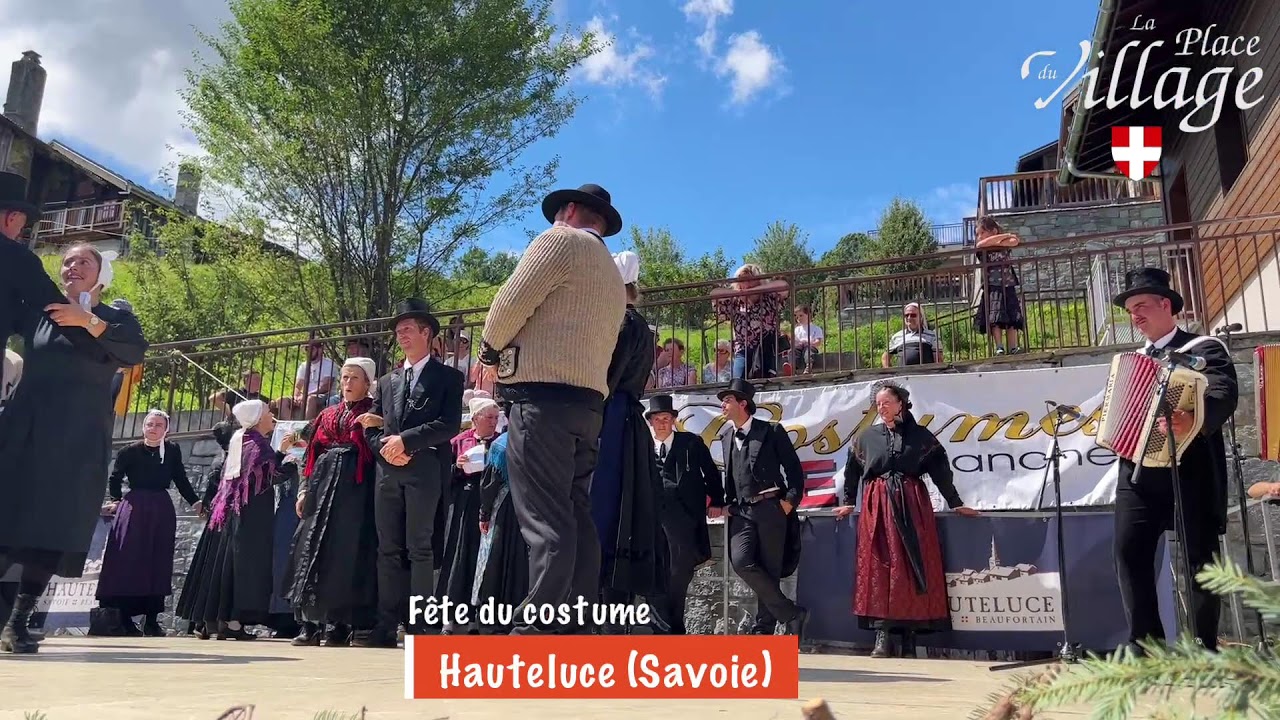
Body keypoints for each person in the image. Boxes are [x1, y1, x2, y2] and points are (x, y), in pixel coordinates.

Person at [477, 183, 626, 634]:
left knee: (544, 516)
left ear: (570, 210)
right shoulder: (613, 275)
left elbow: (509, 301)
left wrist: (487, 354)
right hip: (587, 404)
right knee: (575, 514)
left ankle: (536, 626)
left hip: (541, 399)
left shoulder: (560, 239)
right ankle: (579, 622)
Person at [0, 243, 149, 654]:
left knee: (55, 527)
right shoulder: (37, 313)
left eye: (85, 261)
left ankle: (17, 624)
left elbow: (134, 351)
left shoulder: (116, 319)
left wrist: (88, 322)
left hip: (80, 438)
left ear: (101, 275)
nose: (73, 266)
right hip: (26, 430)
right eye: (67, 261)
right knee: (6, 518)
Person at [1109, 267, 1238, 653]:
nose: (1135, 315)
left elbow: (1223, 394)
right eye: (1130, 309)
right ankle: (1145, 647)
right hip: (1140, 473)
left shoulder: (1203, 348)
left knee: (1200, 560)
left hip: (1192, 471)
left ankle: (1203, 647)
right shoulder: (1133, 360)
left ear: (1166, 305)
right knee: (1129, 551)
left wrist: (1193, 418)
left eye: (1142, 305)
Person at [834, 382, 980, 658]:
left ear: (901, 403)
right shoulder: (866, 437)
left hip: (912, 505)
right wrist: (848, 503)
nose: (881, 407)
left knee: (912, 567)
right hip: (877, 505)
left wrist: (956, 503)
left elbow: (941, 472)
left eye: (886, 402)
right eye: (878, 403)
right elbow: (851, 472)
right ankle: (882, 634)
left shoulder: (921, 437)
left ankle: (910, 637)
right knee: (880, 566)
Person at [360, 298, 464, 646]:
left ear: (427, 333)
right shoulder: (388, 381)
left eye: (407, 328)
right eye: (398, 330)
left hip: (424, 467)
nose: (401, 334)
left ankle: (421, 625)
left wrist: (405, 441)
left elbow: (448, 424)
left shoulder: (448, 377)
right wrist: (384, 447)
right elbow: (370, 424)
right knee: (387, 547)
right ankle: (386, 624)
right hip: (389, 471)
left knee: (420, 547)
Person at [283, 357, 380, 647]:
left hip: (356, 492)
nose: (347, 383)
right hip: (322, 488)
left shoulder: (374, 413)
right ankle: (310, 623)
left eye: (354, 378)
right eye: (344, 378)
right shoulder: (326, 415)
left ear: (367, 383)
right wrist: (303, 490)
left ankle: (341, 623)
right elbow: (309, 458)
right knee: (310, 548)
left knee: (347, 553)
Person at [591, 251, 664, 630]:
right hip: (623, 417)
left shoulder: (624, 326)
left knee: (603, 509)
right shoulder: (642, 327)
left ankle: (603, 615)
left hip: (611, 417)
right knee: (619, 509)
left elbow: (608, 377)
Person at [187, 399, 300, 640]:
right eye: (269, 413)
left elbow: (254, 472)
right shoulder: (258, 444)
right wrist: (290, 464)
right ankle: (234, 622)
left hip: (235, 511)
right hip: (252, 514)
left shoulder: (241, 439)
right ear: (259, 418)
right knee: (246, 567)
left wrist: (279, 452)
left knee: (230, 566)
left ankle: (219, 620)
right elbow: (267, 477)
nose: (272, 416)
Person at [95, 409, 202, 637]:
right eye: (150, 424)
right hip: (134, 509)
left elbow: (180, 478)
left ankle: (151, 620)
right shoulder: (129, 451)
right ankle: (124, 617)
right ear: (144, 426)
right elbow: (115, 477)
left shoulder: (172, 451)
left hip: (161, 509)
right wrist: (115, 500)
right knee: (129, 560)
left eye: (158, 425)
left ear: (166, 429)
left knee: (157, 561)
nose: (153, 428)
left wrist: (196, 502)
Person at [716, 379, 808, 636]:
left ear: (742, 403)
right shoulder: (725, 436)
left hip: (771, 507)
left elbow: (794, 471)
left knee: (770, 569)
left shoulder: (771, 431)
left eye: (727, 400)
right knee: (742, 562)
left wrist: (789, 502)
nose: (722, 404)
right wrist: (726, 505)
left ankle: (763, 628)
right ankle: (791, 613)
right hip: (742, 511)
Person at [646, 394, 724, 634]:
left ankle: (674, 628)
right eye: (657, 418)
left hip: (683, 521)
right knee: (653, 574)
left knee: (679, 575)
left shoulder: (690, 443)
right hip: (651, 522)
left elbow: (711, 472)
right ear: (651, 422)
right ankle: (664, 630)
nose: (662, 423)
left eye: (666, 418)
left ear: (673, 420)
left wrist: (717, 500)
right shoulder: (643, 447)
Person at [0, 172, 97, 354]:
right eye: (21, 227)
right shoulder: (16, 256)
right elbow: (54, 308)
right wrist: (99, 347)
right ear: (11, 217)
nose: (20, 234)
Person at [437, 397, 503, 635]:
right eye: (488, 418)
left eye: (496, 418)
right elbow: (444, 475)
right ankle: (450, 617)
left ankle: (478, 618)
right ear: (475, 419)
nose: (493, 423)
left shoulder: (500, 443)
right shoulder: (459, 442)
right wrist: (457, 466)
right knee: (458, 557)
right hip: (464, 504)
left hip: (490, 505)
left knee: (482, 560)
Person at [177, 421, 237, 640]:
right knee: (215, 569)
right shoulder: (228, 460)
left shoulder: (220, 459)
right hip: (223, 519)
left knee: (206, 569)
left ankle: (202, 621)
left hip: (215, 519)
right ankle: (210, 621)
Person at [472, 429, 529, 634]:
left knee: (496, 559)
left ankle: (492, 618)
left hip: (505, 510)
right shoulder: (542, 441)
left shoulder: (501, 445)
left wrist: (484, 514)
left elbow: (490, 484)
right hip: (533, 509)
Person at [972, 216, 1024, 355]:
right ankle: (999, 346)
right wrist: (1004, 236)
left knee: (1012, 315)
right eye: (978, 234)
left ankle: (1013, 346)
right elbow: (980, 245)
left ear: (993, 230)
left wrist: (1001, 239)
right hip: (992, 285)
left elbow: (1015, 241)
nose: (979, 236)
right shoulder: (982, 248)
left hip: (1008, 283)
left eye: (982, 233)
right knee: (995, 317)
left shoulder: (1002, 243)